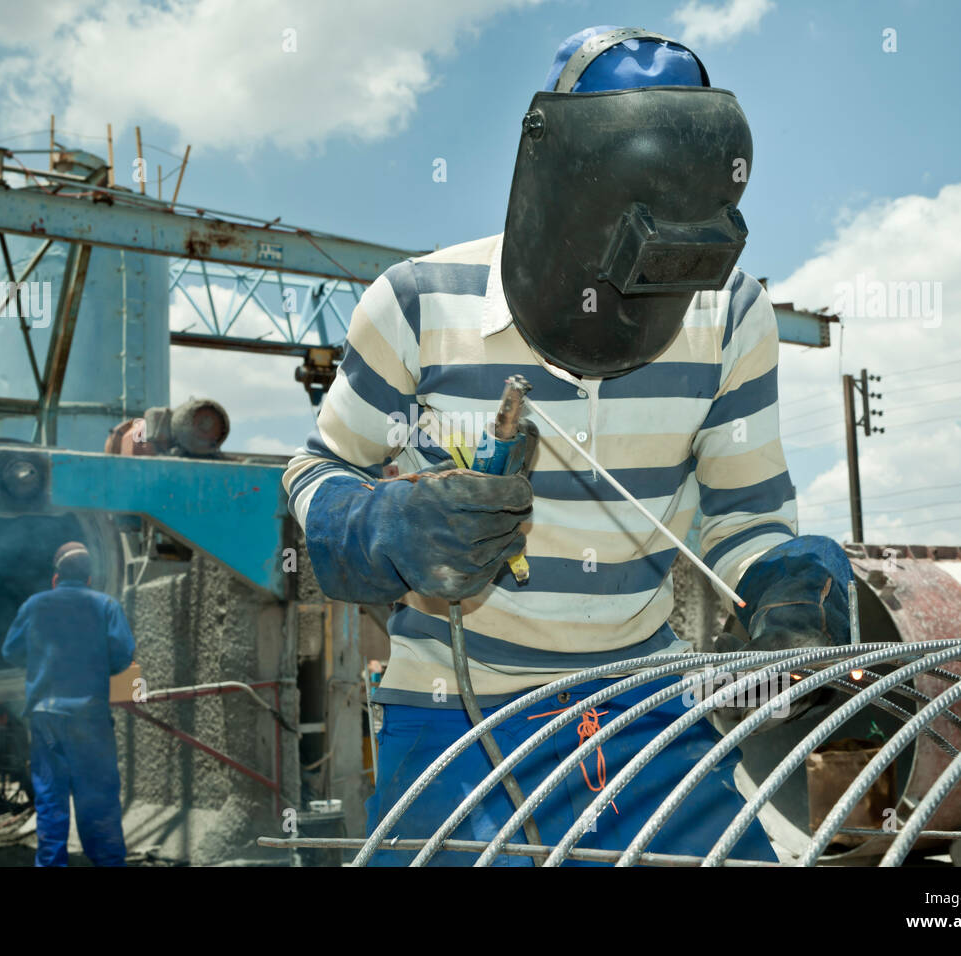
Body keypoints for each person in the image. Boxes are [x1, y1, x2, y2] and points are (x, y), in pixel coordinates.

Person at [283, 25, 854, 865]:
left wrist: (788, 587)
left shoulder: (730, 313)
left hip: (644, 716)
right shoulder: (415, 302)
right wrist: (380, 531)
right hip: (451, 723)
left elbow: (744, 520)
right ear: (551, 187)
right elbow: (314, 469)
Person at [2, 541, 135, 867]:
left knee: (50, 798)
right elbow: (122, 655)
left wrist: (42, 661)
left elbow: (10, 652)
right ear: (89, 578)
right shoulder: (106, 606)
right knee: (99, 797)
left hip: (46, 716)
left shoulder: (34, 606)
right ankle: (108, 863)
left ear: (55, 577)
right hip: (89, 716)